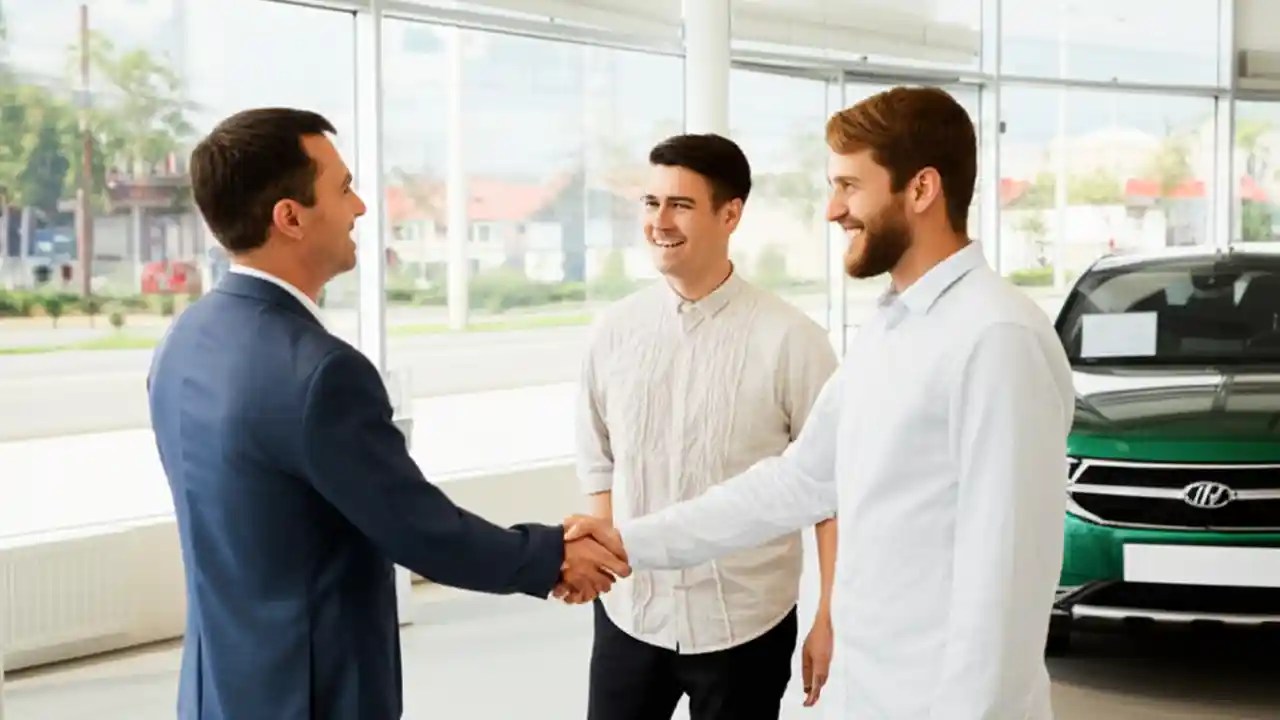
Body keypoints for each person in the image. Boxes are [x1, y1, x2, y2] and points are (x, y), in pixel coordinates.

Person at [564, 86, 1075, 719]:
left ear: (920, 189)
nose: (832, 210)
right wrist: (628, 544)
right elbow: (794, 483)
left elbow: (1006, 588)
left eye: (849, 187)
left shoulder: (997, 339)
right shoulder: (893, 328)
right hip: (868, 694)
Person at [147, 108, 629, 720]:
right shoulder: (321, 373)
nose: (360, 209)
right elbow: (420, 530)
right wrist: (552, 555)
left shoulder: (183, 341)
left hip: (217, 691)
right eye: (343, 188)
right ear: (289, 218)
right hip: (313, 697)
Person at [571, 133, 839, 720]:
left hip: (744, 621)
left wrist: (829, 614)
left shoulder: (793, 340)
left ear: (731, 213)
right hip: (631, 612)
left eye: (680, 205)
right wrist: (597, 558)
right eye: (650, 203)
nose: (658, 222)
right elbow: (598, 458)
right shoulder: (613, 331)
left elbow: (832, 493)